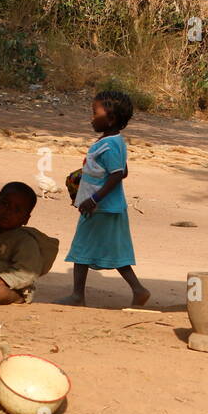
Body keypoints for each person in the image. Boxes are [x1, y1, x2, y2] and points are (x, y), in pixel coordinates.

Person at [59, 90, 150, 307]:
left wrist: (95, 198)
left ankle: (77, 296)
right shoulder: (113, 142)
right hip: (106, 207)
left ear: (111, 117)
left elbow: (117, 175)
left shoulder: (109, 145)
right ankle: (138, 289)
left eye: (94, 113)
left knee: (81, 249)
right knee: (112, 251)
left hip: (100, 208)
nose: (91, 117)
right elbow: (122, 171)